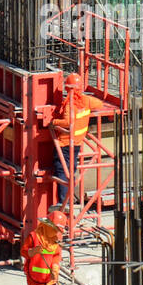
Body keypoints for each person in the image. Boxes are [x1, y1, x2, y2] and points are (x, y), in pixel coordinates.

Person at [51, 73, 103, 207]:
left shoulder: (70, 104)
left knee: (62, 171)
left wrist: (53, 121)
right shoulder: (86, 100)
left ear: (67, 88)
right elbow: (100, 104)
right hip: (77, 143)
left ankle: (64, 202)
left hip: (64, 143)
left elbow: (68, 122)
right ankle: (68, 200)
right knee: (71, 171)